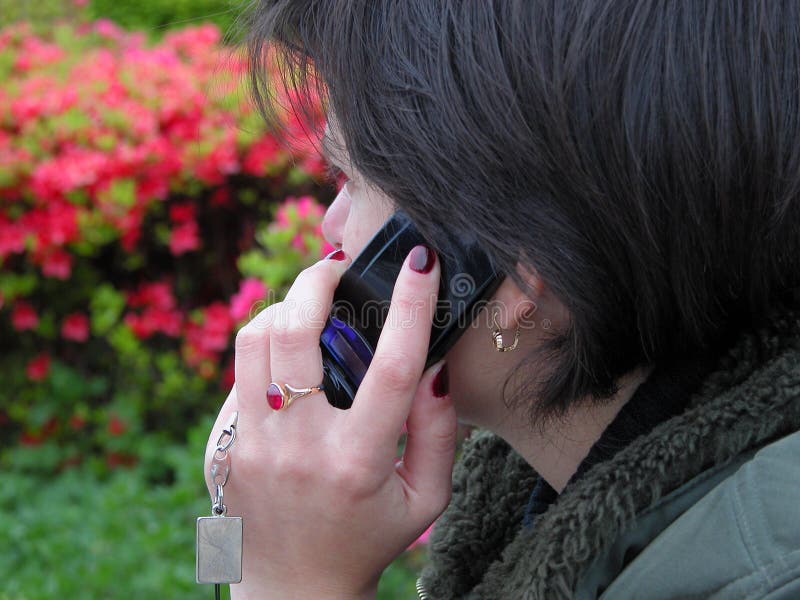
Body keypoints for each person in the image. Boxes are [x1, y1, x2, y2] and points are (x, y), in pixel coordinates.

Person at [205, 1, 800, 597]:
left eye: (348, 181)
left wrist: (296, 582)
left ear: (511, 264)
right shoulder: (545, 502)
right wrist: (243, 532)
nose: (331, 226)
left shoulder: (756, 578)